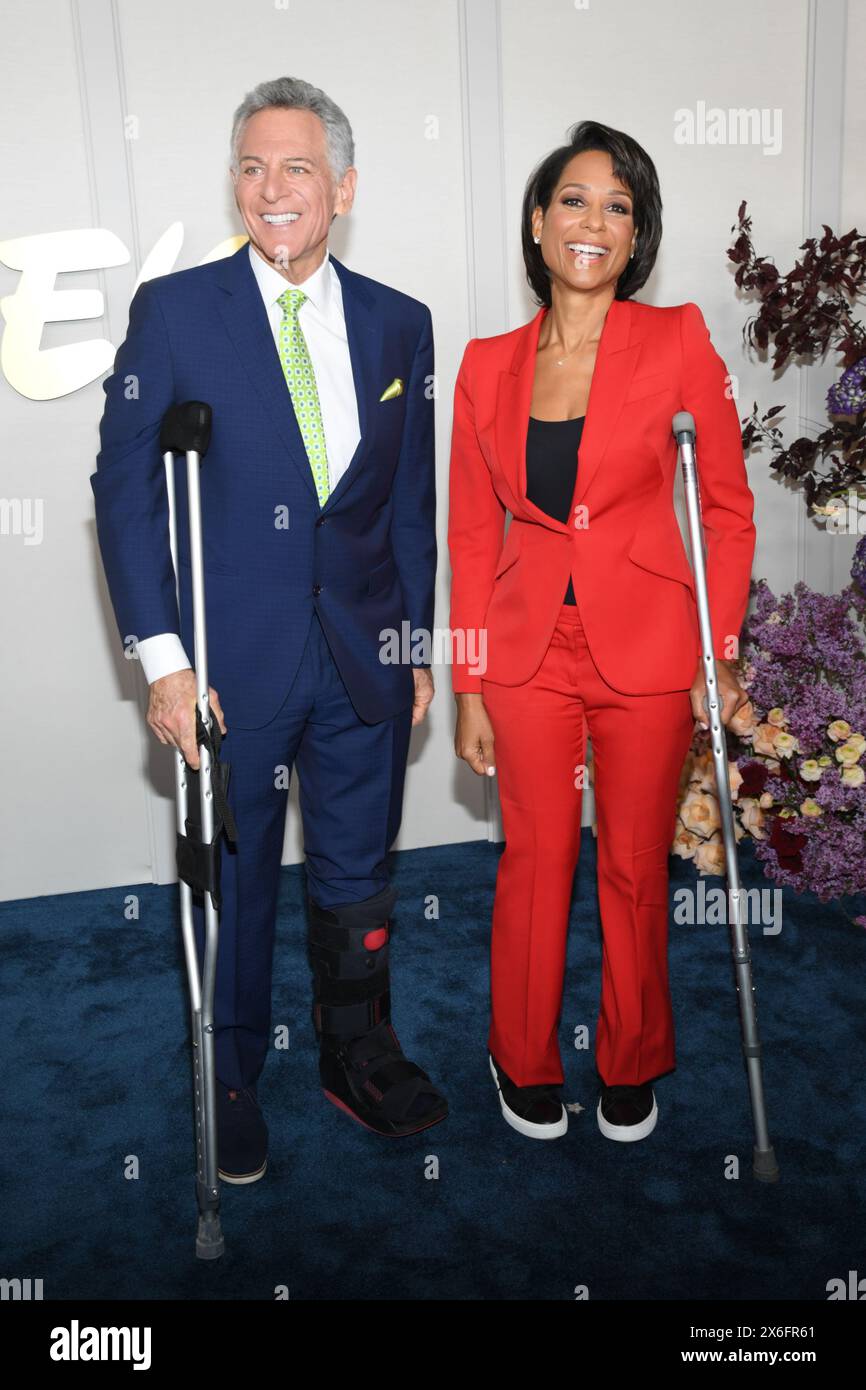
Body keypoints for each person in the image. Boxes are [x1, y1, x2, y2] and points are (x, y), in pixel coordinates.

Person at [91, 76, 448, 1183]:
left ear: (341, 185)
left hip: (360, 659)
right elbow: (123, 492)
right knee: (232, 883)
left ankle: (356, 1049)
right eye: (251, 166)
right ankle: (231, 1072)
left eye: (295, 166)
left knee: (356, 871)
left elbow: (407, 504)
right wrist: (162, 659)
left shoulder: (399, 321)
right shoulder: (177, 312)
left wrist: (416, 640)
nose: (270, 188)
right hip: (225, 671)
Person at [448, 120, 755, 1144]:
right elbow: (465, 530)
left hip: (648, 649)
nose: (592, 220)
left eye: (616, 206)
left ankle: (629, 1057)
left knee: (630, 861)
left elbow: (724, 507)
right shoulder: (484, 365)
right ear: (537, 224)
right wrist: (468, 684)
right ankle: (522, 1055)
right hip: (527, 649)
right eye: (572, 200)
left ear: (636, 236)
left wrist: (719, 656)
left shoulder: (675, 341)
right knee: (534, 858)